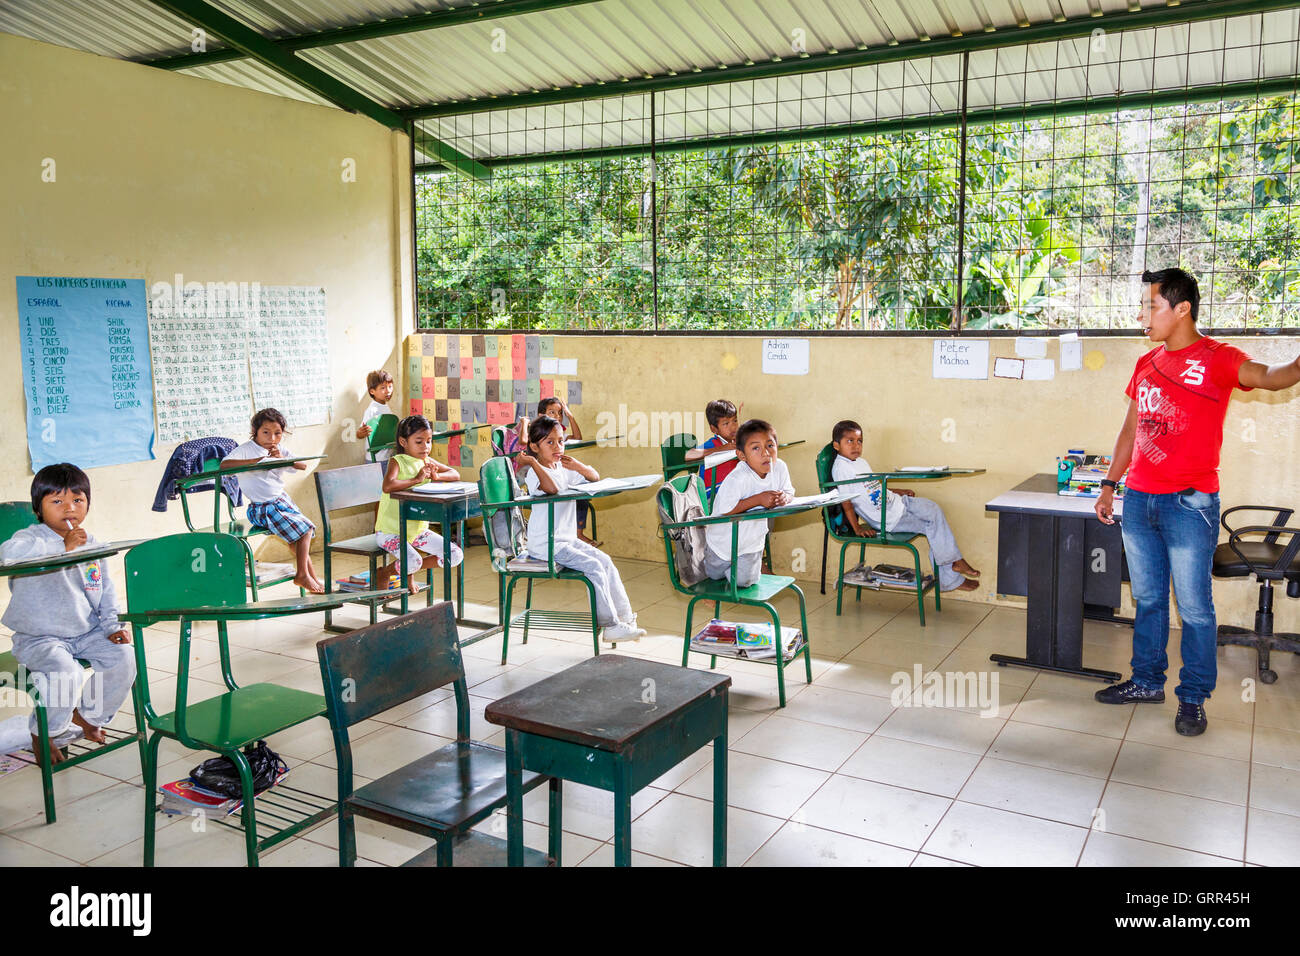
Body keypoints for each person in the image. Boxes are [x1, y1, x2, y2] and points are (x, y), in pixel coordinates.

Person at [1094, 267, 1300, 736]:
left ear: (1181, 308)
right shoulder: (1145, 365)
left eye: (1152, 305)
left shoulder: (1218, 358)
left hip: (1189, 504)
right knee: (1147, 600)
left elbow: (1269, 377)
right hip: (1140, 499)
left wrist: (1298, 365)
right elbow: (1131, 430)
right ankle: (1146, 681)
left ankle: (1192, 698)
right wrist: (1110, 484)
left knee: (1195, 608)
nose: (1143, 314)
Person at [0, 464, 136, 766]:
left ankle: (86, 716)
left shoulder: (93, 545)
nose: (69, 509)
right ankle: (43, 732)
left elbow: (104, 591)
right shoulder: (29, 538)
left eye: (78, 500)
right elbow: (8, 555)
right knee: (67, 673)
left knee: (125, 657)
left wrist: (113, 624)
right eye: (57, 502)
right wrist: (62, 547)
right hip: (39, 637)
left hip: (86, 633)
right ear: (39, 508)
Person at [516, 415, 645, 643]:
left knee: (605, 561)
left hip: (566, 540)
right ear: (534, 447)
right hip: (547, 544)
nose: (558, 447)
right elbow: (552, 489)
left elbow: (594, 477)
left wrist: (578, 465)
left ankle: (625, 617)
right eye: (550, 442)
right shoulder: (535, 474)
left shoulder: (563, 467)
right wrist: (533, 462)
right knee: (593, 567)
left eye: (561, 441)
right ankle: (610, 625)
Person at [830, 420, 980, 592]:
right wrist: (857, 529)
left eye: (859, 441)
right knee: (932, 526)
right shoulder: (841, 468)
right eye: (850, 441)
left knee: (934, 509)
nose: (856, 445)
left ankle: (953, 565)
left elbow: (874, 488)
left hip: (897, 503)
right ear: (836, 445)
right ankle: (952, 573)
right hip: (890, 519)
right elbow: (846, 501)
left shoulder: (861, 462)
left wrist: (898, 491)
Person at [221, 408, 322, 593]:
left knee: (298, 541)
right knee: (306, 529)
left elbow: (302, 465)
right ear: (255, 431)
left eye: (278, 433)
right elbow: (224, 465)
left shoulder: (279, 450)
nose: (272, 438)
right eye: (266, 432)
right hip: (263, 508)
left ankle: (312, 578)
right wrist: (257, 460)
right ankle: (302, 575)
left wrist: (283, 459)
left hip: (282, 501)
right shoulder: (246, 449)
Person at [374, 414, 465, 592]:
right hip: (390, 531)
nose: (426, 447)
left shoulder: (426, 461)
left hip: (416, 531)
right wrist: (417, 479)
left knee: (454, 555)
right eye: (419, 442)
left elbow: (455, 474)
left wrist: (437, 476)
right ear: (403, 441)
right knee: (412, 561)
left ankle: (409, 569)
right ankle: (385, 573)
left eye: (429, 441)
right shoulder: (397, 461)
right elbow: (388, 486)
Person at [703, 418, 793, 588]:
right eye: (756, 448)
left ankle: (736, 573)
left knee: (745, 582)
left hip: (752, 541)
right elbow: (726, 509)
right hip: (723, 541)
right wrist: (758, 500)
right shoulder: (738, 477)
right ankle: (705, 560)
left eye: (770, 445)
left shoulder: (780, 467)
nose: (765, 453)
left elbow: (789, 492)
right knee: (713, 577)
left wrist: (785, 498)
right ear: (742, 455)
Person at [535, 396, 599, 546]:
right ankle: (574, 536)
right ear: (541, 415)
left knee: (581, 497)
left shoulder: (558, 434)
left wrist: (570, 416)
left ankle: (577, 534)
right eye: (552, 412)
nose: (557, 416)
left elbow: (577, 438)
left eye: (560, 413)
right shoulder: (536, 434)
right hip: (542, 476)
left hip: (559, 472)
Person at [685, 399, 742, 498]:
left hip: (732, 491)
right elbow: (689, 455)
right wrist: (722, 448)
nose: (733, 427)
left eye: (735, 421)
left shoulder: (737, 442)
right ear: (714, 429)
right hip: (712, 496)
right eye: (726, 424)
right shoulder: (713, 444)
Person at [354, 370, 395, 461]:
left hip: (387, 457)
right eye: (383, 388)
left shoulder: (385, 406)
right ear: (372, 391)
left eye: (390, 386)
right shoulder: (372, 410)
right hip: (377, 459)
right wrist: (361, 432)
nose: (388, 391)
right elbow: (360, 434)